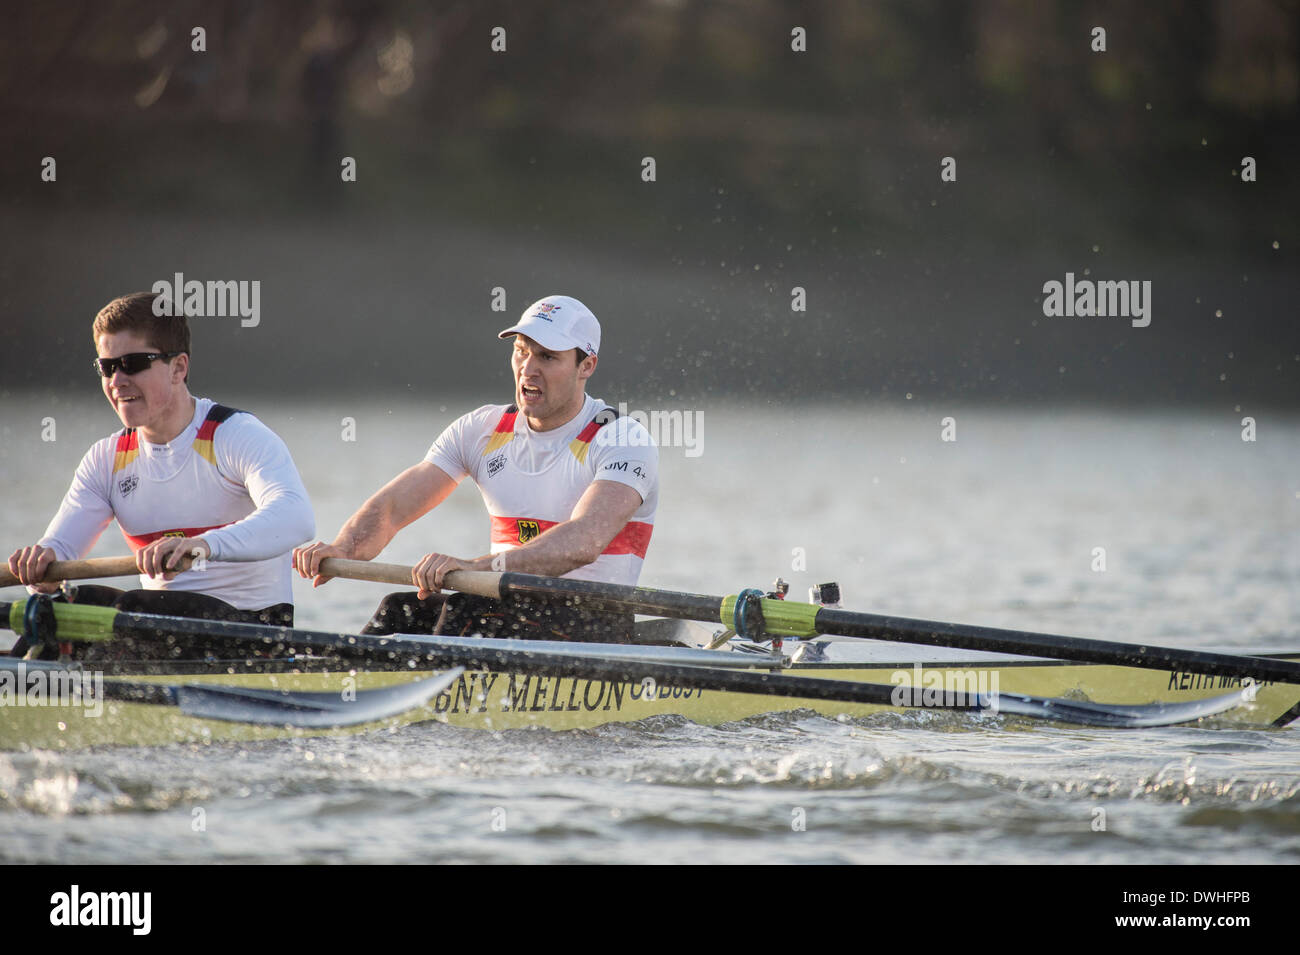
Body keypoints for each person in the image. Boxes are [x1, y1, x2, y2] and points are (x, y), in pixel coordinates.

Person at [294, 295, 658, 642]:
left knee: (467, 607)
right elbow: (391, 510)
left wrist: (473, 569)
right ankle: (345, 688)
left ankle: (422, 701)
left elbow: (584, 542)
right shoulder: (481, 429)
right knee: (400, 610)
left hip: (593, 622)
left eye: (547, 357)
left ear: (586, 366)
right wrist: (345, 548)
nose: (528, 369)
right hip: (508, 608)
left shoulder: (622, 438)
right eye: (521, 352)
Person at [6, 292, 315, 655]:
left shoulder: (235, 435)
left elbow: (296, 517)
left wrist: (203, 545)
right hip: (156, 630)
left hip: (254, 635)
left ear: (178, 368)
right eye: (107, 367)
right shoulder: (106, 460)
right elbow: (60, 551)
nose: (117, 381)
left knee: (133, 608)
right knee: (62, 608)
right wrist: (41, 574)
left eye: (132, 363)